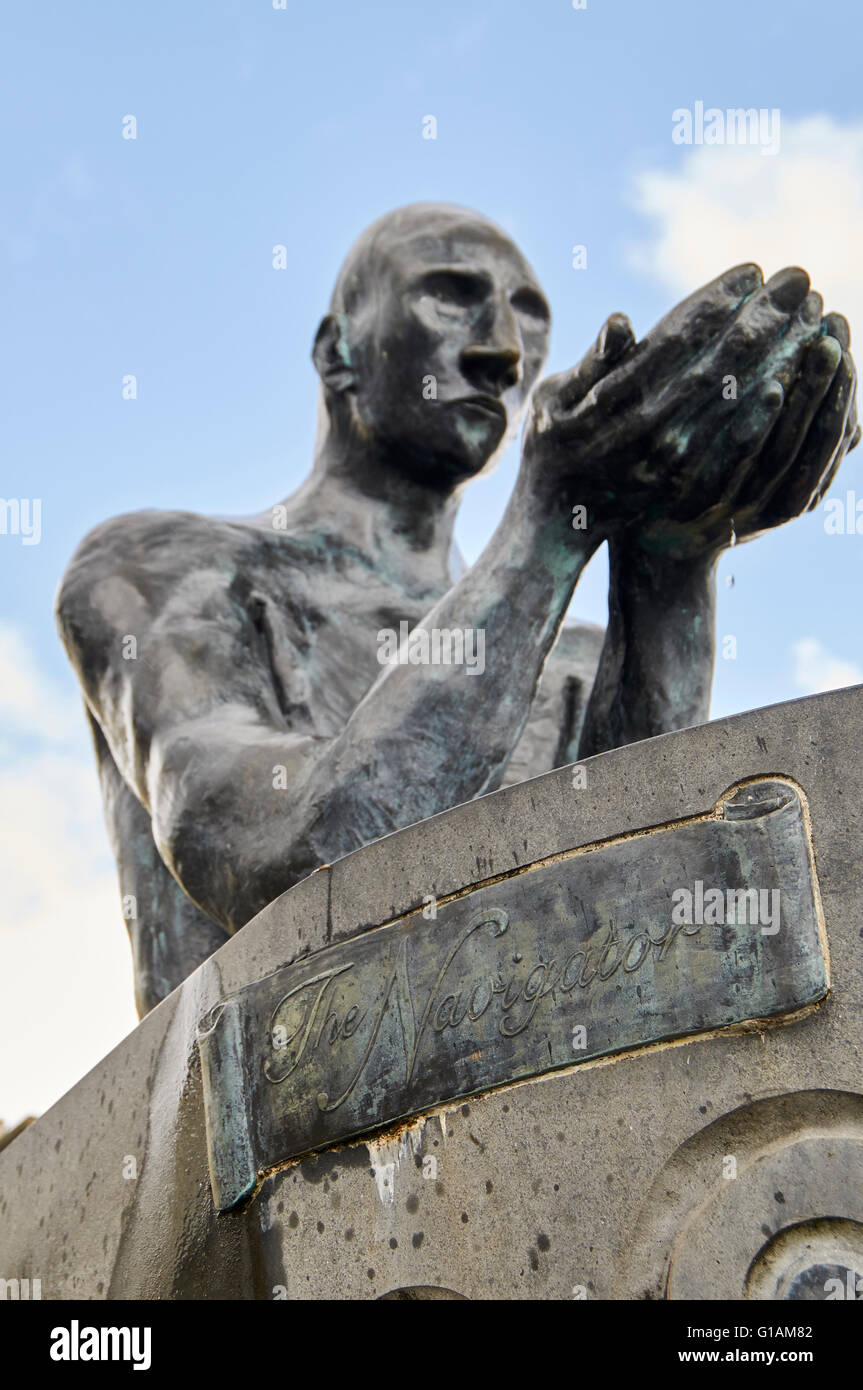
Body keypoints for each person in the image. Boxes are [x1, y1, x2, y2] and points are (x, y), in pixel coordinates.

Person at [56, 203, 858, 1015]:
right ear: (338, 352)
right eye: (450, 296)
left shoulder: (575, 662)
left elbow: (646, 945)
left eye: (527, 319)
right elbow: (295, 866)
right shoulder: (165, 570)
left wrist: (672, 558)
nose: (503, 355)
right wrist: (550, 513)